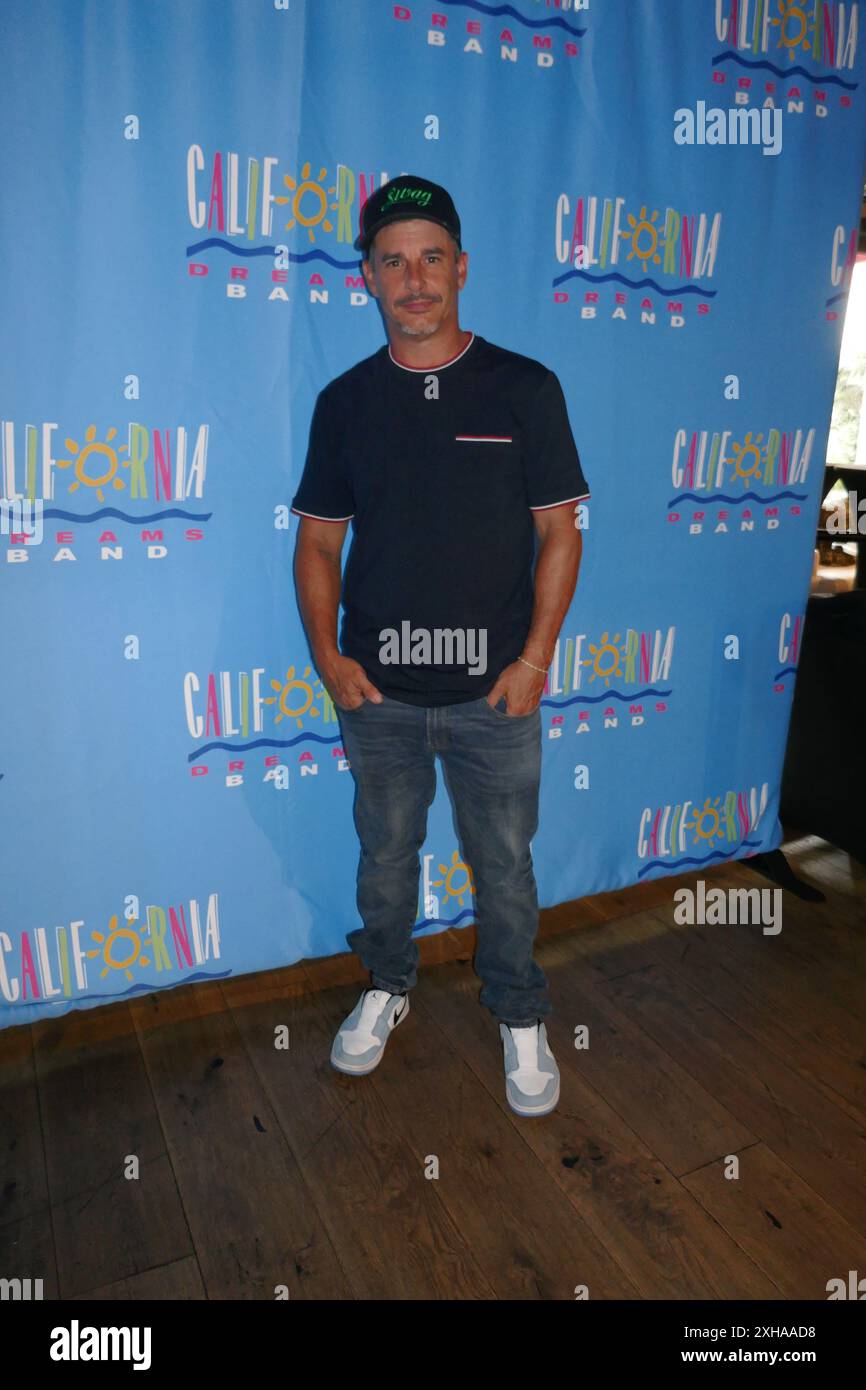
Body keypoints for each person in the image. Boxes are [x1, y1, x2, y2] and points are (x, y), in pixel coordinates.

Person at [290, 174, 590, 1117]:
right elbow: (317, 541)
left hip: (494, 696)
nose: (413, 279)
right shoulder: (345, 403)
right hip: (377, 696)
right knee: (385, 859)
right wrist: (330, 662)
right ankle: (387, 984)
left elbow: (561, 530)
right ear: (368, 280)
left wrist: (535, 661)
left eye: (430, 258)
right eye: (392, 262)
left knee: (503, 866)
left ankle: (518, 1010)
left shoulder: (525, 387)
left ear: (460, 268)